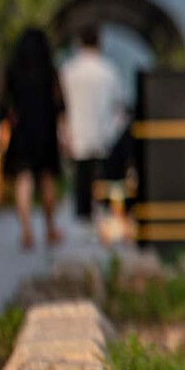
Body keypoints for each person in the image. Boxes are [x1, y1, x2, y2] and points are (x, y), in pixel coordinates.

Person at [0, 27, 65, 250]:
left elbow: (3, 103)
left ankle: (26, 231)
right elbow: (60, 104)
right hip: (45, 130)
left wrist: (7, 123)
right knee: (46, 178)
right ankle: (49, 228)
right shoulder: (49, 70)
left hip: (21, 130)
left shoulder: (13, 69)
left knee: (23, 179)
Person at [60, 25, 125, 223]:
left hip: (77, 132)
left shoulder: (68, 70)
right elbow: (119, 105)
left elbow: (62, 106)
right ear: (100, 42)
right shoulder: (109, 71)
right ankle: (104, 217)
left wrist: (64, 134)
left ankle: (83, 217)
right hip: (104, 134)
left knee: (81, 180)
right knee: (102, 180)